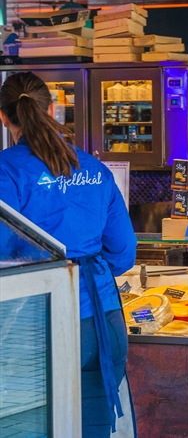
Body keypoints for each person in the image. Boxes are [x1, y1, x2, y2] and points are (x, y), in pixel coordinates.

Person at [0, 72, 138, 437]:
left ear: (3, 116)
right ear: (53, 108)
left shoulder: (6, 169)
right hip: (103, 321)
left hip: (34, 324)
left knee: (29, 425)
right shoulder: (94, 169)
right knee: (92, 426)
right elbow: (123, 253)